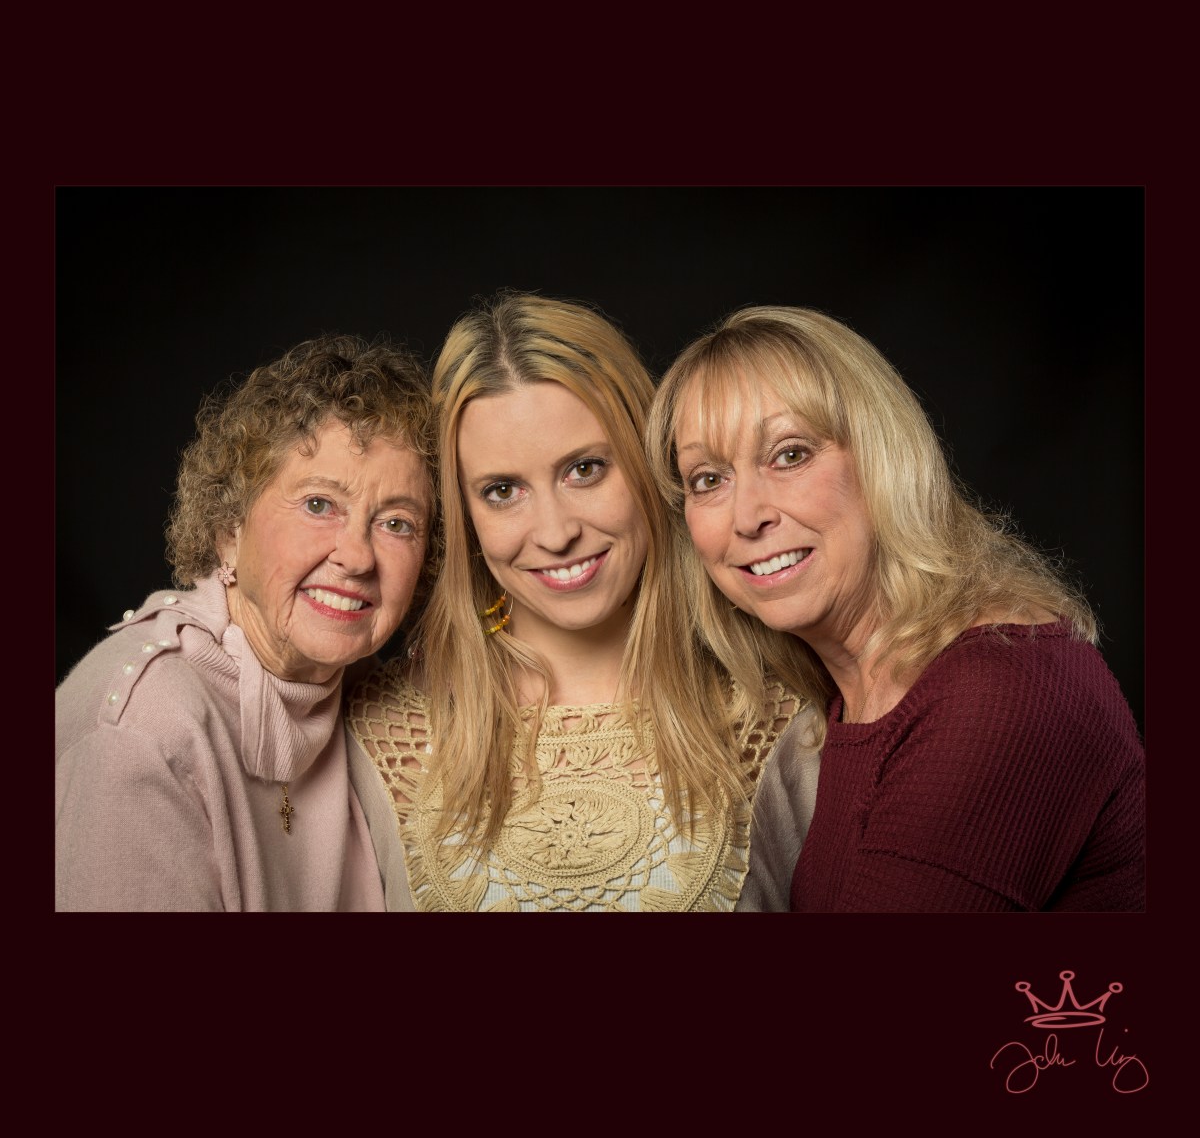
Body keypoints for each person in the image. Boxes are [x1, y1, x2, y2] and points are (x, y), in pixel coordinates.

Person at [645, 305, 1145, 912]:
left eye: (790, 454)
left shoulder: (1003, 690)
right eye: (707, 479)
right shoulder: (844, 705)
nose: (747, 516)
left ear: (885, 459)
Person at [346, 291, 817, 911]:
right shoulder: (379, 733)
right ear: (464, 515)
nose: (555, 532)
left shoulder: (782, 710)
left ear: (649, 462)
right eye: (503, 490)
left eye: (585, 470)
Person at [56, 334, 437, 911]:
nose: (357, 557)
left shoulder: (367, 696)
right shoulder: (142, 736)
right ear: (228, 527)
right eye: (318, 505)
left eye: (397, 523)